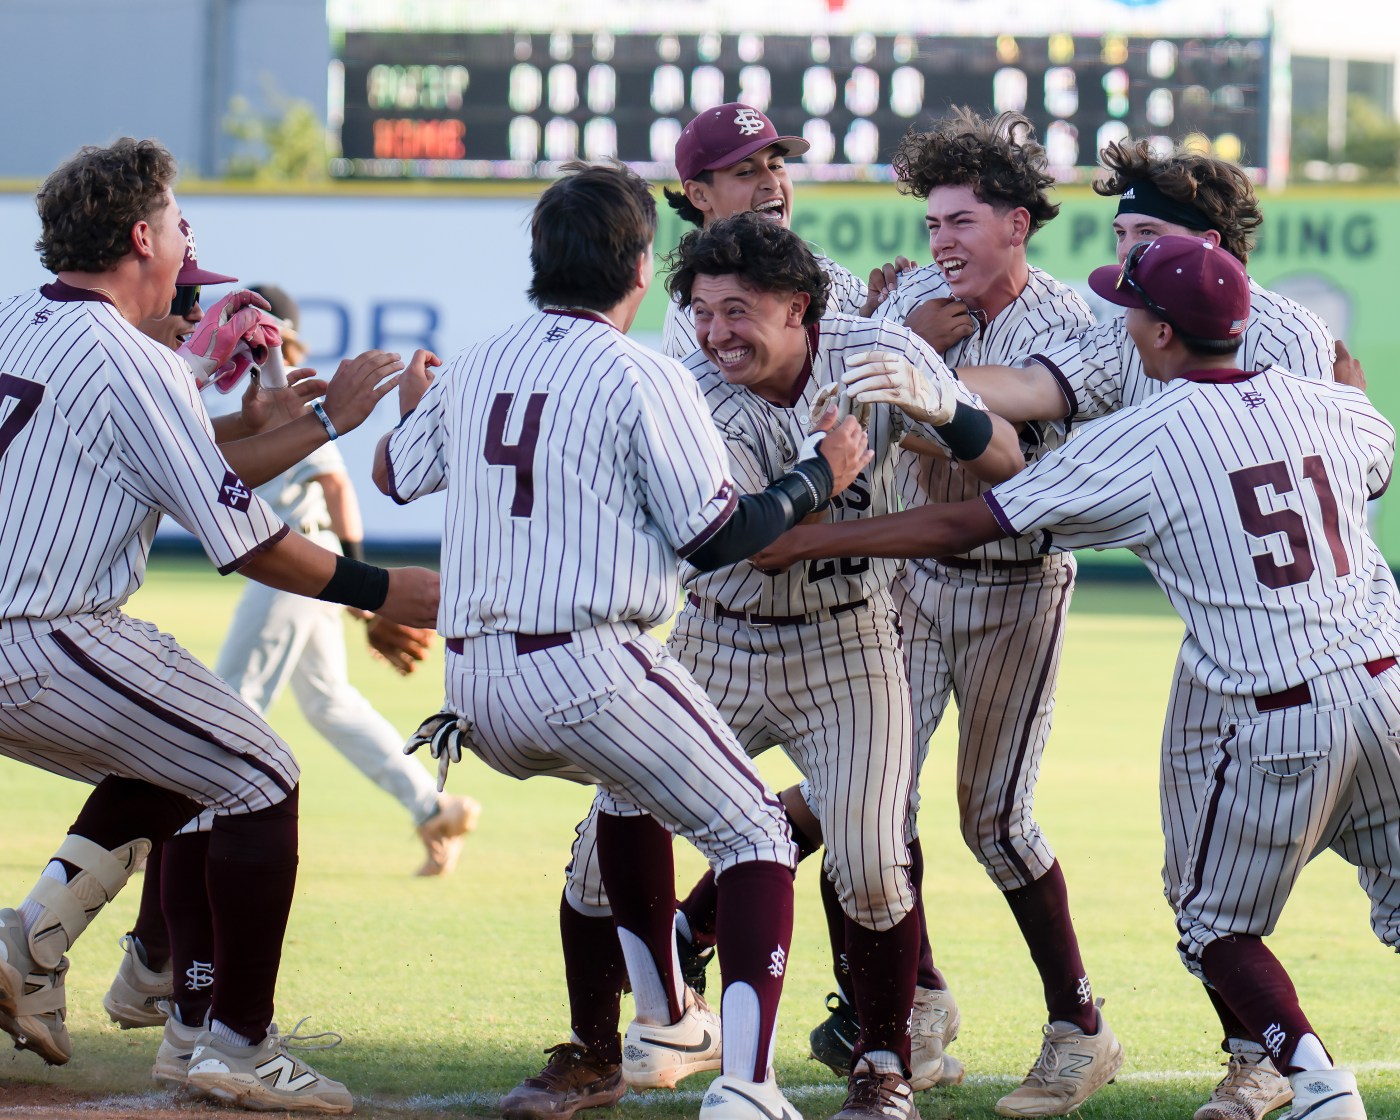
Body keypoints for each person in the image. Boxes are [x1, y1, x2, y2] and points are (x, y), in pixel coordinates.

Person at [751, 233, 1394, 1120]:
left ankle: (1319, 1085)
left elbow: (971, 521)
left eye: (1131, 310)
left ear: (1161, 333)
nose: (1120, 323)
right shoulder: (1333, 406)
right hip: (1390, 689)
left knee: (1214, 928)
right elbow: (1372, 454)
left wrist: (811, 537)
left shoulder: (1149, 436)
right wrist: (1350, 398)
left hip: (1286, 716)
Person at [375, 162, 873, 1120]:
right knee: (757, 835)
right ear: (643, 264)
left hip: (472, 688)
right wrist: (821, 472)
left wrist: (420, 405)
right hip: (585, 665)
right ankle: (747, 1086)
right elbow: (718, 536)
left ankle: (630, 1039)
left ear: (540, 260)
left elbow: (396, 474)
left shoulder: (478, 361)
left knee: (628, 798)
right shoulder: (644, 373)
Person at [542, 211, 1024, 1120]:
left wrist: (944, 407)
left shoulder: (878, 352)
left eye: (738, 310)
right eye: (702, 311)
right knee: (598, 863)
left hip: (849, 642)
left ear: (799, 307)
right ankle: (596, 1053)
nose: (715, 333)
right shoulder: (686, 392)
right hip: (716, 641)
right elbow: (760, 546)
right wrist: (824, 469)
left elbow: (1003, 458)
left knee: (874, 861)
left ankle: (883, 1067)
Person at [0, 137, 437, 1115]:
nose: (185, 236)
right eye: (175, 218)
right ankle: (236, 1043)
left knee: (187, 768)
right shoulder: (128, 353)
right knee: (260, 774)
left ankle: (91, 974)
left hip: (25, 630)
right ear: (139, 236)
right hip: (43, 634)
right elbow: (246, 541)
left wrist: (287, 421)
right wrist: (378, 587)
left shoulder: (18, 319)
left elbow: (185, 451)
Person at [949, 138, 1342, 1120]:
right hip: (1224, 642)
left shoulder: (1283, 337)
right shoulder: (1134, 315)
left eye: (1146, 233)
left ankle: (1283, 1067)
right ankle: (1259, 1056)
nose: (1125, 254)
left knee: (1240, 890)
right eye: (1120, 231)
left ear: (1209, 244)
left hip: (1299, 637)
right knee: (1197, 878)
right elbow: (1032, 387)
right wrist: (915, 369)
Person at [805, 109, 1108, 1119]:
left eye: (962, 221)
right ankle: (916, 1010)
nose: (941, 241)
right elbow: (846, 413)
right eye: (932, 222)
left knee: (994, 820)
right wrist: (896, 345)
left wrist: (912, 371)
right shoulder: (915, 305)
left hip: (1015, 586)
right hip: (908, 583)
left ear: (1017, 224)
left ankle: (1079, 1026)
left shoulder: (1067, 327)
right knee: (867, 801)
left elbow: (1014, 472)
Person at [659, 102, 885, 360]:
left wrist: (878, 311)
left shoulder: (828, 273)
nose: (772, 182)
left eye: (776, 165)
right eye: (746, 172)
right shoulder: (696, 306)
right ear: (699, 194)